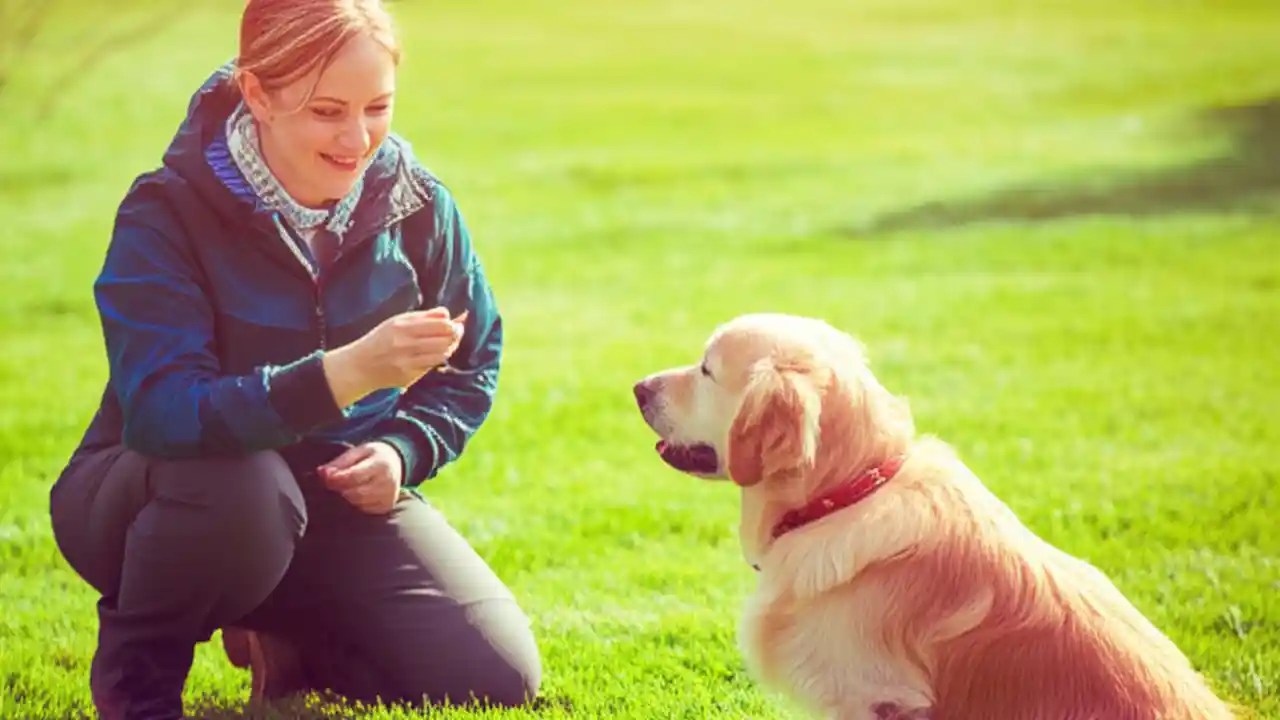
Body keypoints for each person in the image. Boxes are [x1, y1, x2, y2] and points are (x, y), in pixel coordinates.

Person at [47, 1, 541, 717]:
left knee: (496, 677)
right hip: (158, 497)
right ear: (257, 95)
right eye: (327, 111)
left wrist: (404, 450)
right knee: (244, 491)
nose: (358, 138)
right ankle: (139, 682)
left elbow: (472, 361)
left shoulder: (419, 206)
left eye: (378, 107)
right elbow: (162, 415)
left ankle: (287, 644)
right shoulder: (166, 213)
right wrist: (346, 373)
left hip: (331, 503)